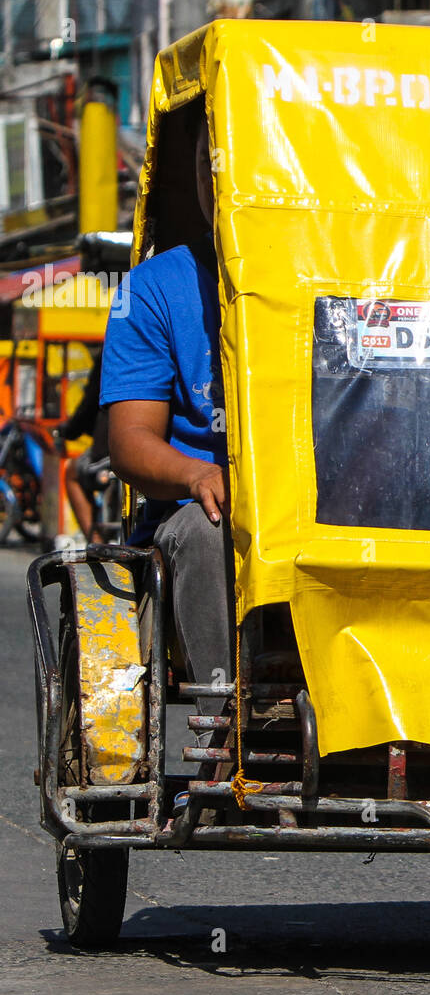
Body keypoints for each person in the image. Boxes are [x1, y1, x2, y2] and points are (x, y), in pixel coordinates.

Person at [101, 114, 234, 689]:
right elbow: (129, 442)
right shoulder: (155, 287)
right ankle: (224, 721)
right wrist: (198, 473)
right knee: (208, 529)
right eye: (210, 165)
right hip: (191, 510)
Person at [55, 351, 108, 543]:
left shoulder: (111, 351)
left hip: (109, 452)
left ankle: (96, 543)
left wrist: (69, 430)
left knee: (72, 474)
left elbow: (90, 403)